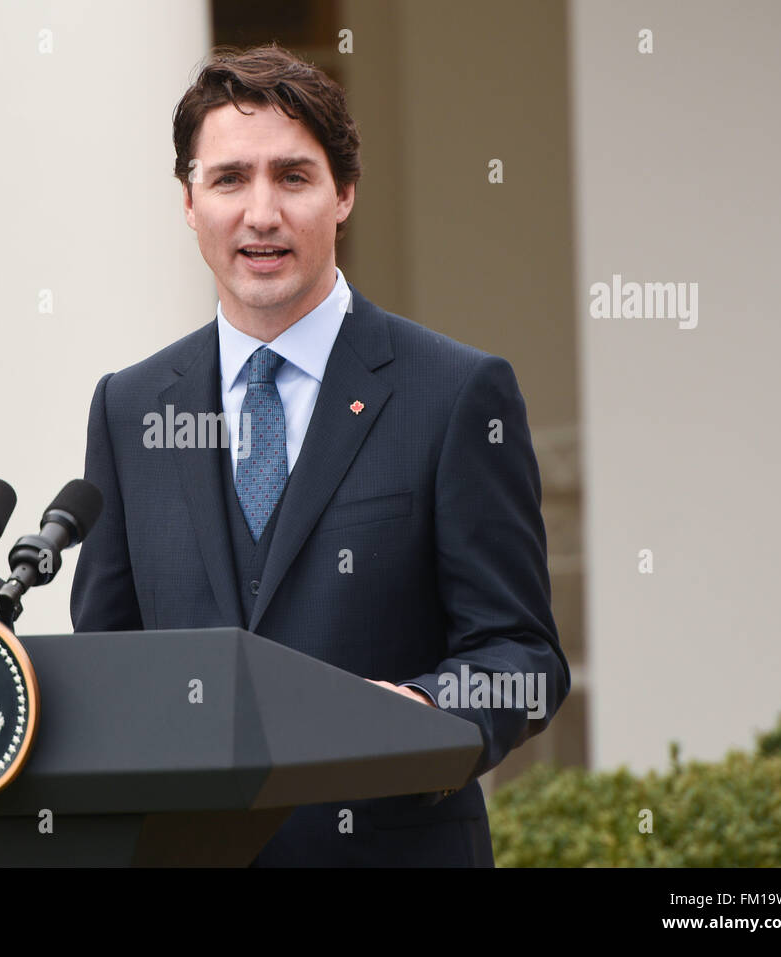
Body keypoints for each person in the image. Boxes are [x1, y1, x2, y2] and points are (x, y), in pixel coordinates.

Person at [69, 42, 569, 866]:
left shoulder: (456, 393)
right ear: (189, 202)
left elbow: (523, 655)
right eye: (229, 179)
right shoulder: (129, 406)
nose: (260, 213)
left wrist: (416, 708)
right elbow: (111, 661)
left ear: (344, 195)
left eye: (293, 177)